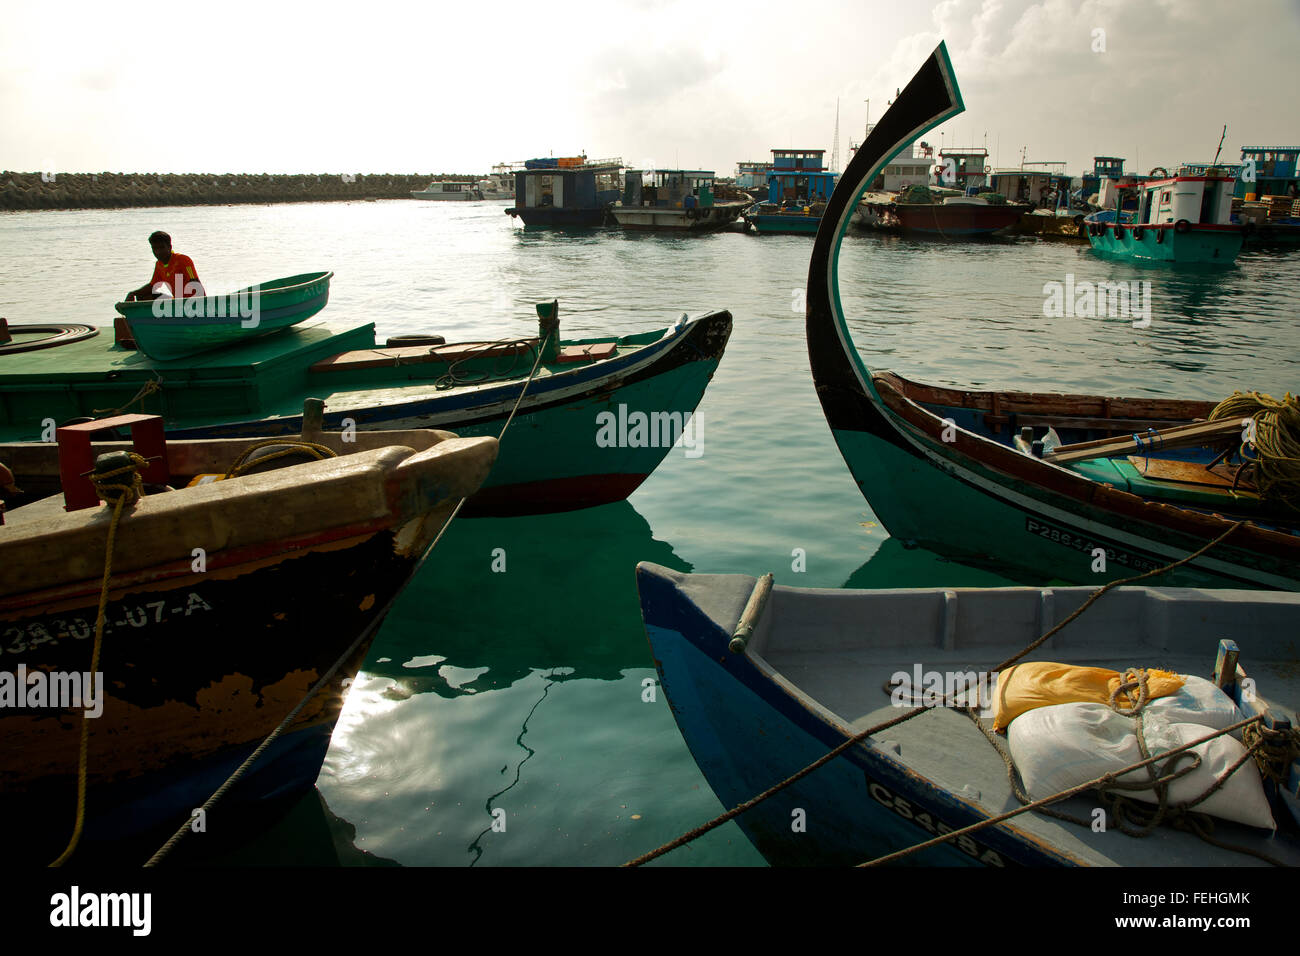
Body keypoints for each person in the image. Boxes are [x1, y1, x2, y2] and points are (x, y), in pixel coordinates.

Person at [125, 231, 204, 301]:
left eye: (161, 248)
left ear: (170, 247)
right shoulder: (159, 265)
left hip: (192, 302)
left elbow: (196, 284)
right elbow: (152, 286)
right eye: (154, 248)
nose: (158, 252)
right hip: (176, 301)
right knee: (143, 296)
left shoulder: (183, 260)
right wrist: (133, 293)